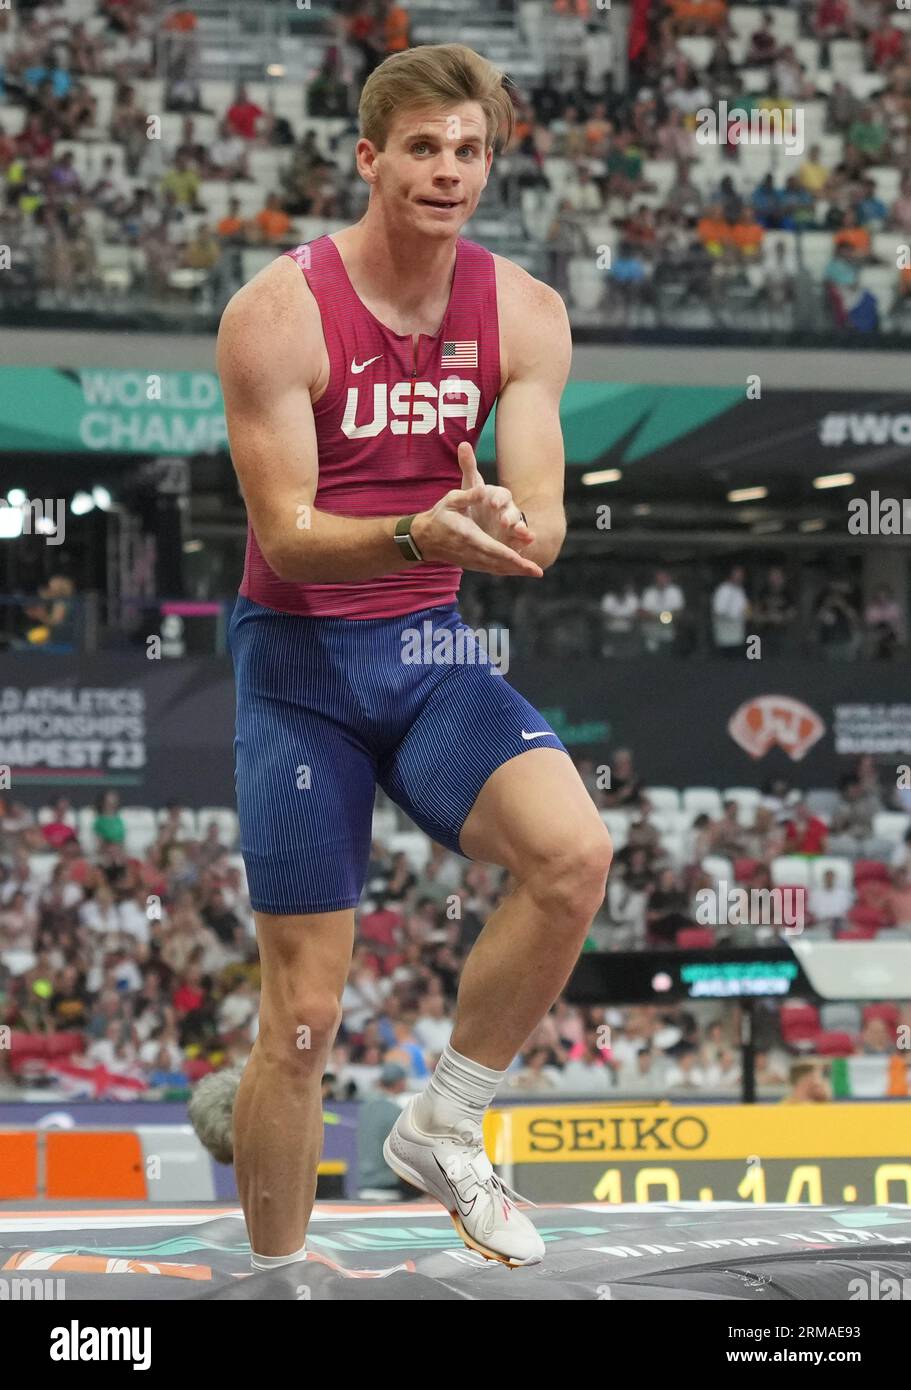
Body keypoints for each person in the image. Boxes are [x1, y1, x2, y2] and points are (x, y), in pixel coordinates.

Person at [213, 43, 612, 1272]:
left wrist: (503, 527)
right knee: (302, 1023)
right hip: (300, 661)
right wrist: (411, 529)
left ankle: (443, 1117)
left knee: (572, 853)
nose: (448, 170)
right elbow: (285, 533)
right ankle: (278, 1279)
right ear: (368, 157)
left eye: (469, 149)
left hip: (431, 647)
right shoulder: (277, 312)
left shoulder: (525, 311)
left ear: (491, 161)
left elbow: (538, 517)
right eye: (423, 148)